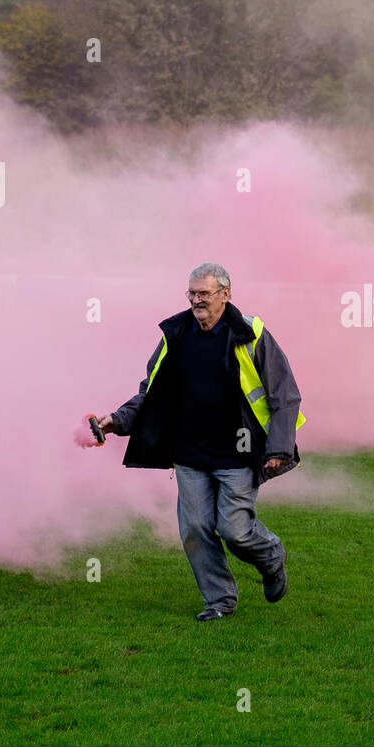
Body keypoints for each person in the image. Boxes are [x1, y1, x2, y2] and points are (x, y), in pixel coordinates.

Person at [94, 262, 304, 622]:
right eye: (191, 293)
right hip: (190, 452)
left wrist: (279, 448)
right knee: (194, 528)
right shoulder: (176, 334)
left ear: (226, 294)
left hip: (237, 452)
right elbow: (152, 392)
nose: (196, 300)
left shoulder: (251, 333)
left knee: (234, 530)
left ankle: (270, 557)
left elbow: (284, 394)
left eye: (203, 294)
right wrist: (118, 420)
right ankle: (219, 600)